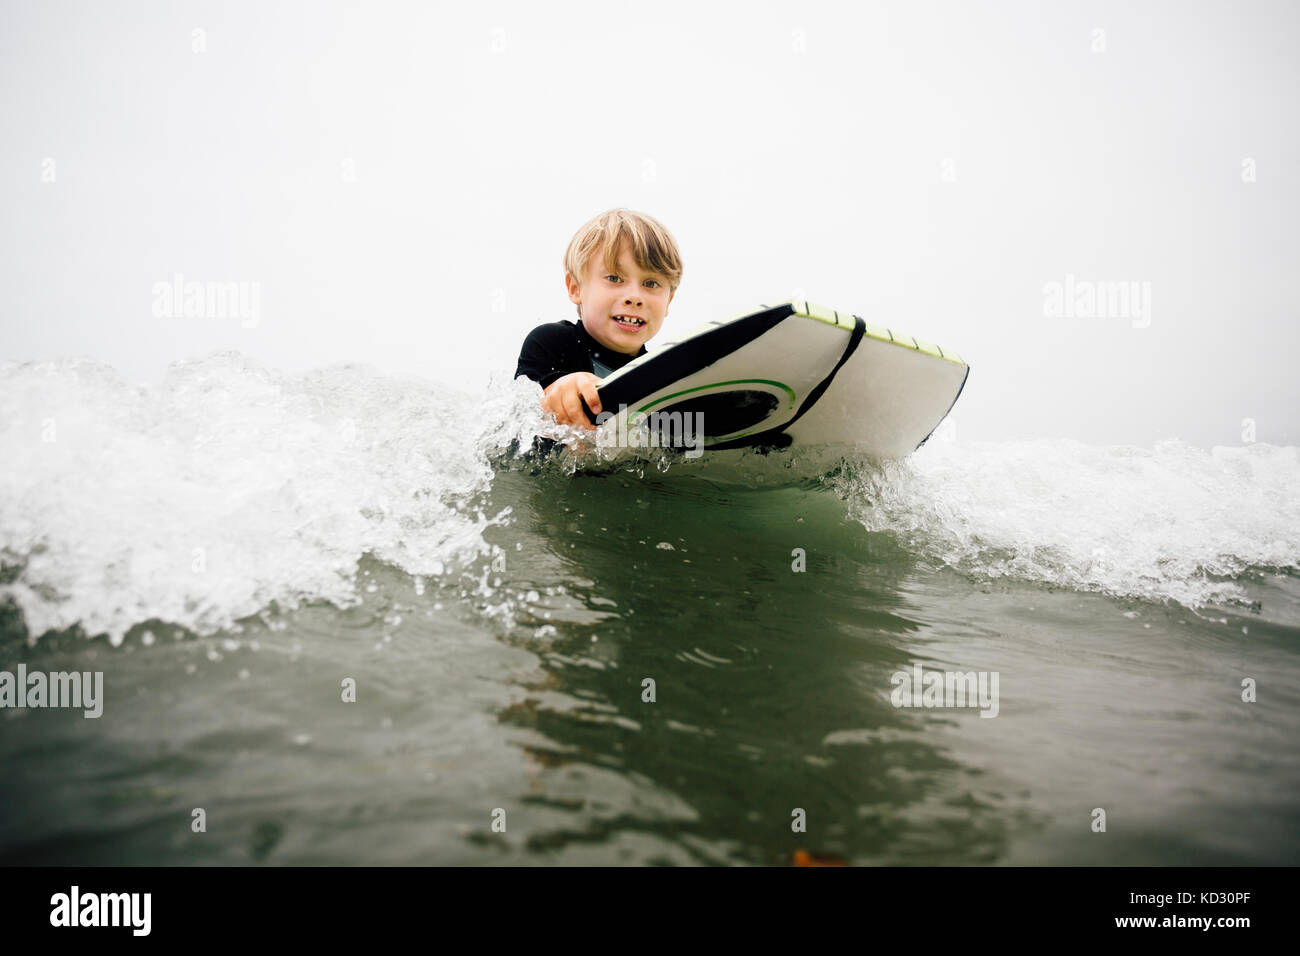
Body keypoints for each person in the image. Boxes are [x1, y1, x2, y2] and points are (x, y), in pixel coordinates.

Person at [515, 208, 683, 432]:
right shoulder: (552, 344)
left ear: (668, 302)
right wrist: (560, 389)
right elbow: (518, 425)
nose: (634, 297)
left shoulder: (662, 377)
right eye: (614, 278)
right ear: (575, 288)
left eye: (651, 283)